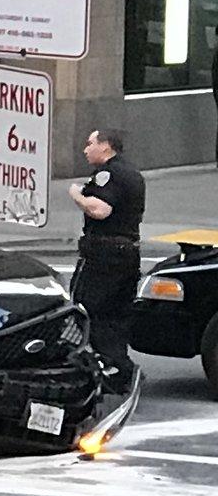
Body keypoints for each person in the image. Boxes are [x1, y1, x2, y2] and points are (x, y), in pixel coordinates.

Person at [68, 128, 144, 393]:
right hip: (128, 254)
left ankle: (114, 367)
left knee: (87, 309)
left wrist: (76, 194)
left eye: (90, 144)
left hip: (104, 256)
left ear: (106, 146)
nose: (85, 149)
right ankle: (121, 369)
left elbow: (99, 209)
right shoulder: (133, 174)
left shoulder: (108, 174)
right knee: (117, 315)